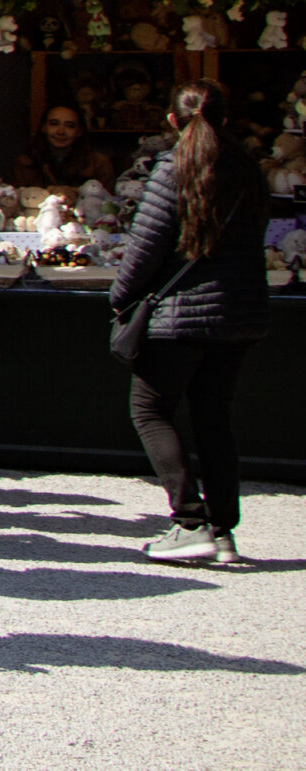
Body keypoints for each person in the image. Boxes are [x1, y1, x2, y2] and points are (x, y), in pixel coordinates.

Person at [110, 78, 270, 565]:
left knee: (151, 411)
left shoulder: (170, 168)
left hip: (179, 313)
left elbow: (146, 247)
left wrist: (120, 299)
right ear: (226, 117)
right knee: (214, 418)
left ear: (172, 121)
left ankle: (189, 521)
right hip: (238, 311)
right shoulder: (248, 171)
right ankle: (222, 533)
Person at [15, 102, 117, 189]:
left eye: (69, 126)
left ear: (79, 131)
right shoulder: (25, 162)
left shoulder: (99, 164)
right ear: (44, 127)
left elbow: (108, 204)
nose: (61, 131)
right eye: (54, 124)